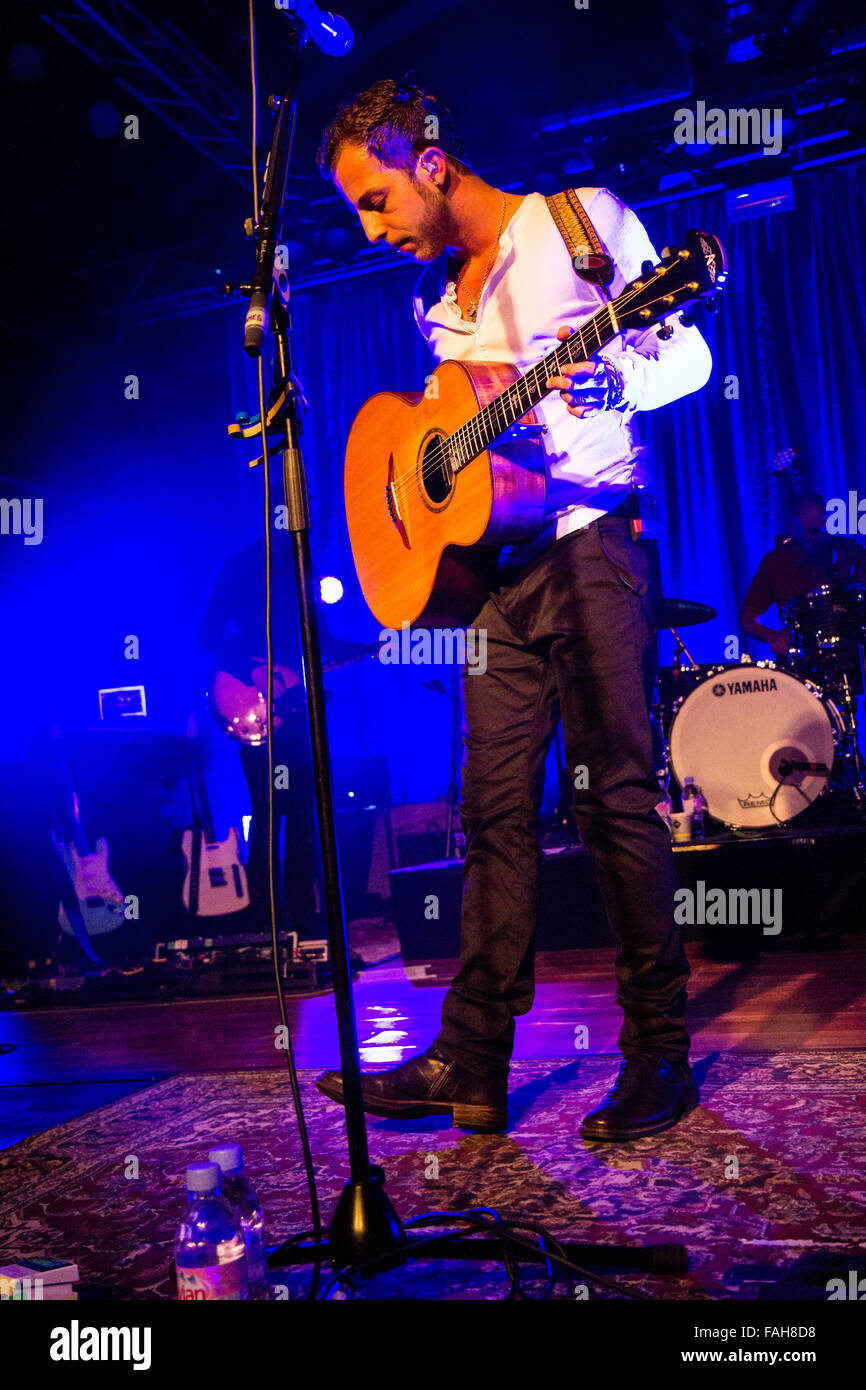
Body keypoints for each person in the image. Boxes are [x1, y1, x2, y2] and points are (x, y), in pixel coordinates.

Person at [314, 79, 713, 1141]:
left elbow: (688, 353)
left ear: (430, 163)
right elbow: (451, 440)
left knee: (612, 807)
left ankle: (655, 1055)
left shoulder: (584, 225)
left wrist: (616, 380)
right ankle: (469, 1058)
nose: (371, 226)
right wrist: (431, 477)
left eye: (374, 198)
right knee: (489, 816)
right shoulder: (438, 299)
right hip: (496, 578)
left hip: (591, 551)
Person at [200, 532, 325, 941]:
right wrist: (251, 670)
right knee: (269, 815)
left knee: (304, 817)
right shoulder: (240, 564)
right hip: (254, 704)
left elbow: (320, 640)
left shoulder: (302, 562)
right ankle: (265, 923)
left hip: (296, 709)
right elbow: (208, 634)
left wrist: (374, 646)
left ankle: (305, 921)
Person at [741, 492, 866, 655]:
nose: (817, 536)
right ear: (793, 527)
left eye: (819, 528)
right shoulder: (776, 562)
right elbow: (748, 618)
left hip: (853, 651)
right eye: (810, 531)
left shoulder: (847, 550)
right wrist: (773, 636)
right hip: (804, 657)